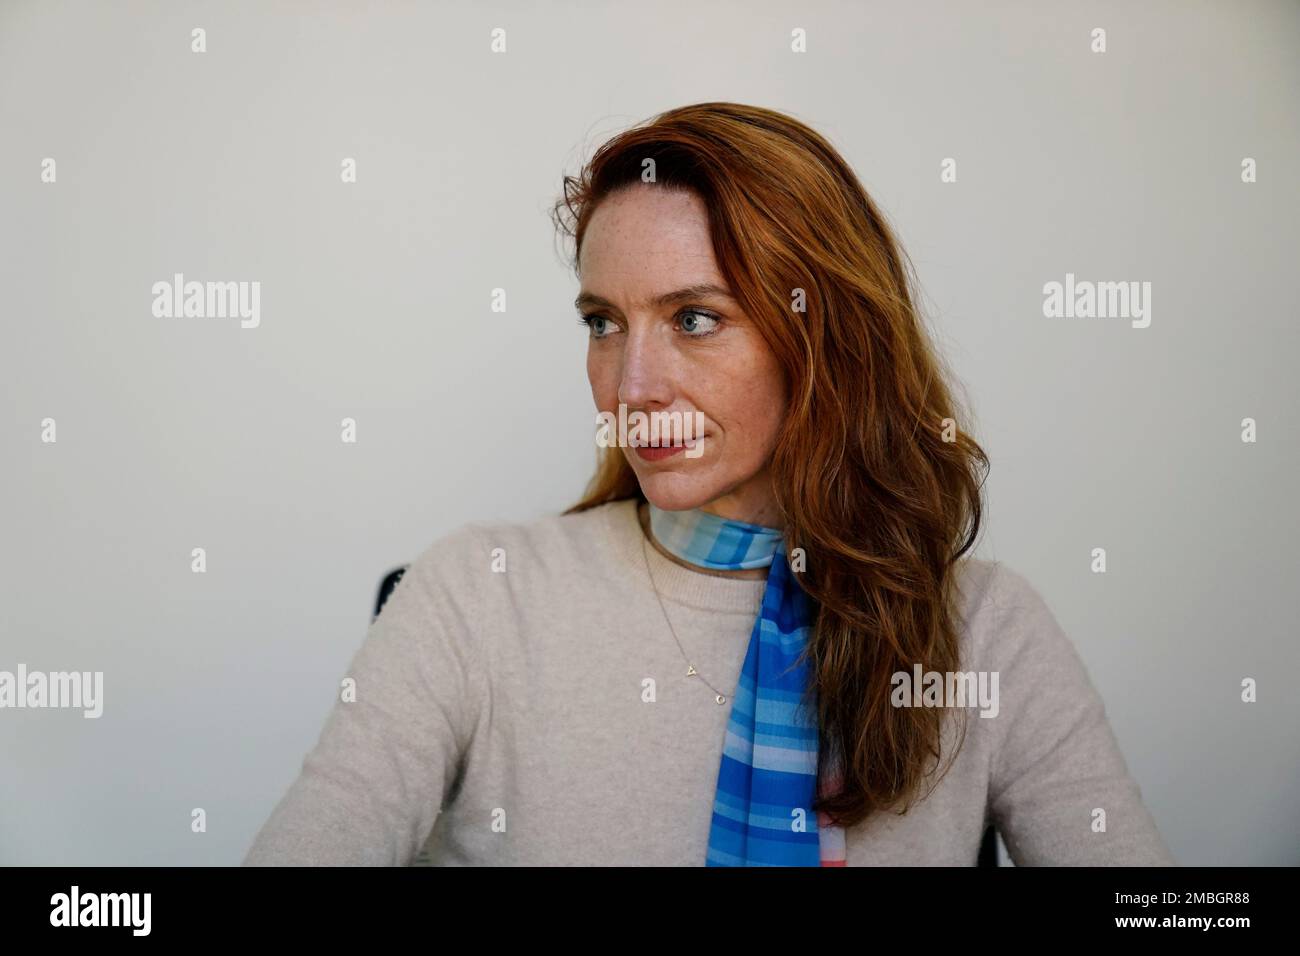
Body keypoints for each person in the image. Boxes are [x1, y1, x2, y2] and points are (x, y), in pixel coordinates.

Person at [244, 102, 1174, 866]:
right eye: (603, 323)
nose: (633, 384)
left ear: (826, 343)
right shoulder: (475, 596)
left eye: (694, 318)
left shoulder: (991, 636)